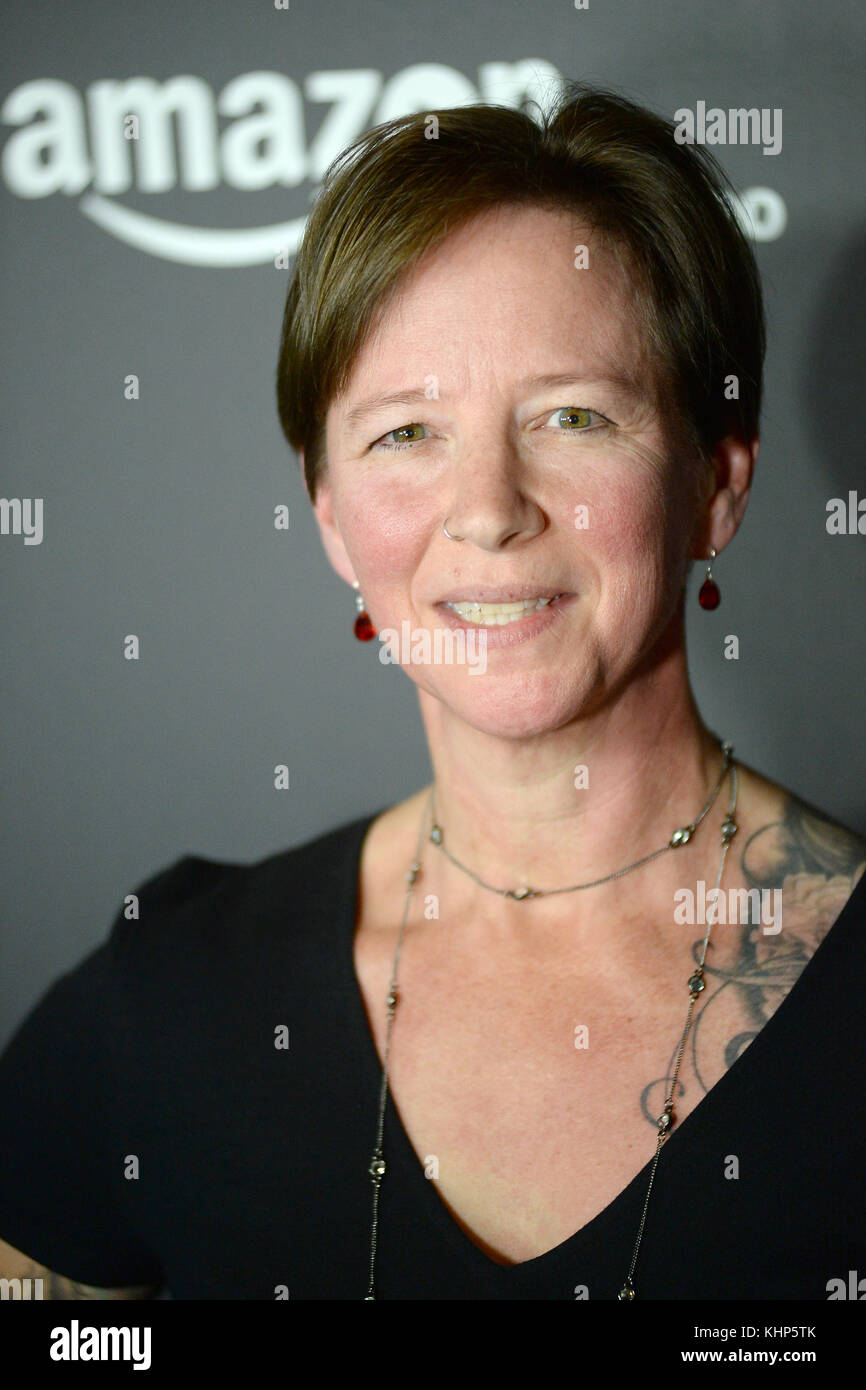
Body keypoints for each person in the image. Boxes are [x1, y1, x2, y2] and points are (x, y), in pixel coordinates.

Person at [1, 82, 864, 1302]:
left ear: (714, 484)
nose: (486, 511)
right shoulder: (179, 992)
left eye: (571, 415)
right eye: (405, 434)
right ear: (332, 520)